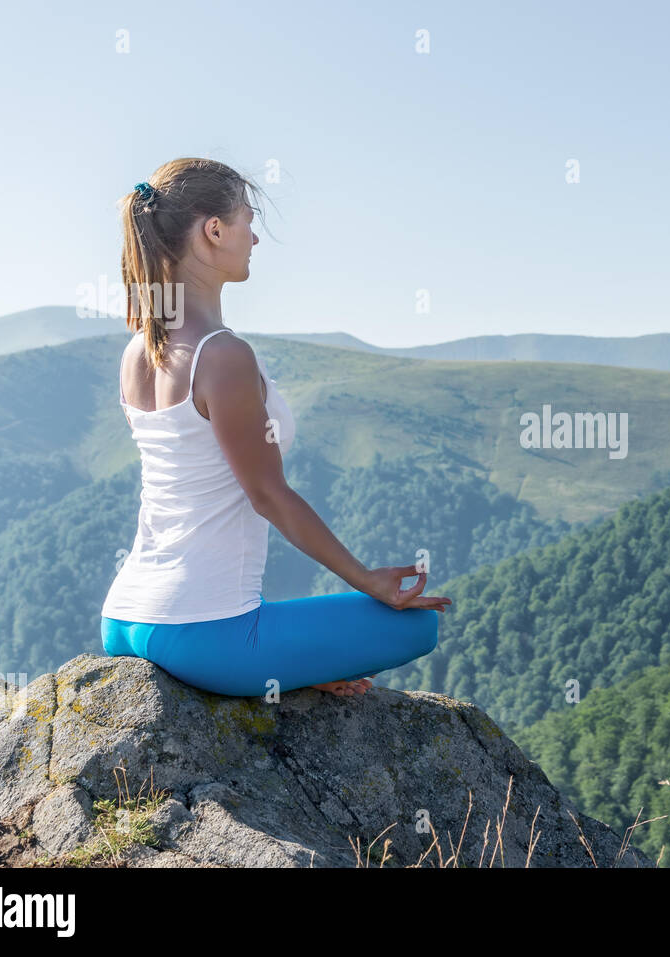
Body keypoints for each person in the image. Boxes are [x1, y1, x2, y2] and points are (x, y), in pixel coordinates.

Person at [99, 157, 449, 699]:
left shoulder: (138, 351)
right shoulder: (222, 354)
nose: (255, 237)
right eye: (247, 219)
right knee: (417, 626)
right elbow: (269, 496)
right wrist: (368, 580)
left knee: (297, 626)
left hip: (124, 618)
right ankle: (284, 661)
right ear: (214, 231)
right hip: (204, 634)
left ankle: (290, 659)